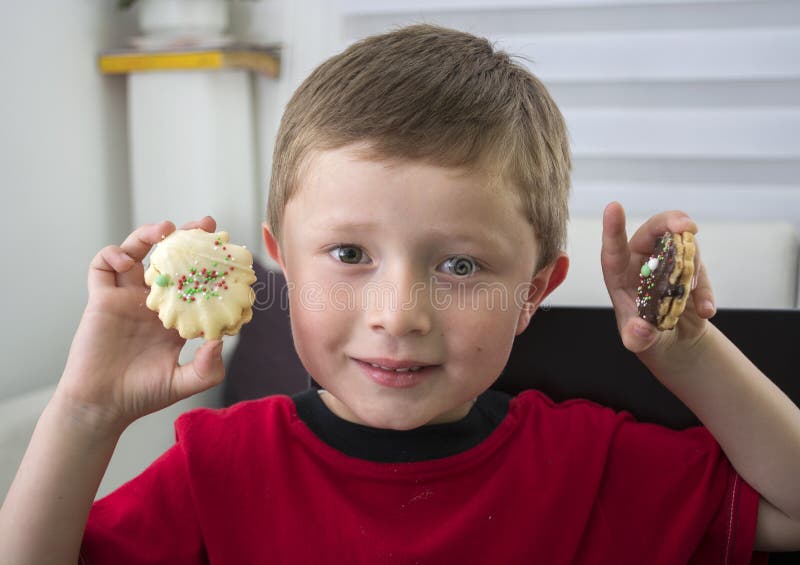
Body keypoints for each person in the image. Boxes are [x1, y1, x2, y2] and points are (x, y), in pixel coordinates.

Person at [2, 24, 799, 564]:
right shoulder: (219, 468)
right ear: (278, 263)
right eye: (349, 253)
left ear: (534, 292)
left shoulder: (590, 463)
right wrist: (85, 411)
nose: (398, 314)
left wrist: (688, 353)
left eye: (459, 267)